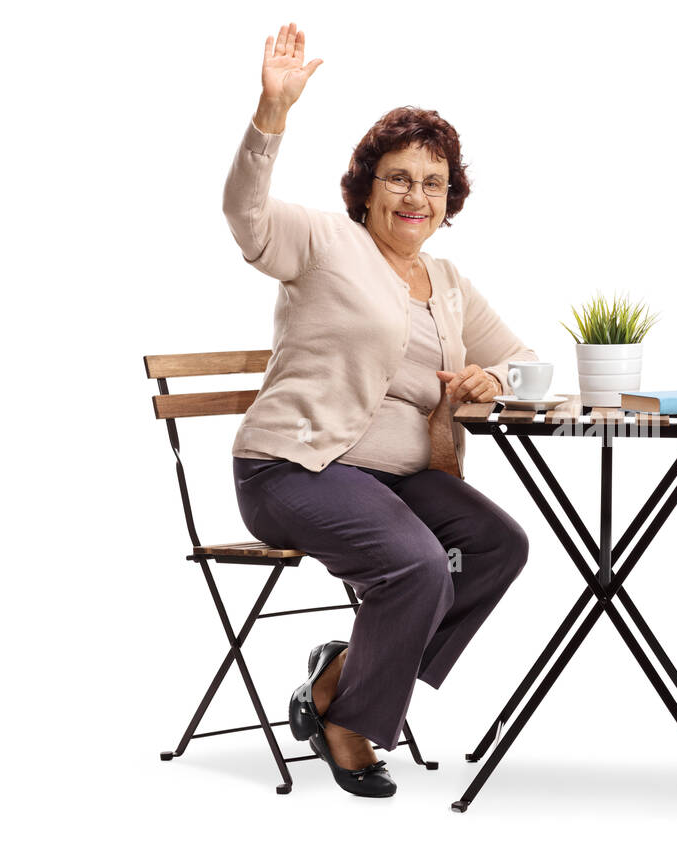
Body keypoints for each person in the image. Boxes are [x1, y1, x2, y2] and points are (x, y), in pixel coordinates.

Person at [227, 23, 533, 797]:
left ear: (449, 198)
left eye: (432, 184)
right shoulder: (323, 241)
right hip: (294, 469)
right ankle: (348, 722)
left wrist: (496, 381)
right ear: (367, 187)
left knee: (495, 545)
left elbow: (526, 362)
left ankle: (340, 675)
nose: (415, 197)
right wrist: (272, 114)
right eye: (399, 179)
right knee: (420, 563)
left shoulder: (450, 281)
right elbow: (245, 217)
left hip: (393, 481)